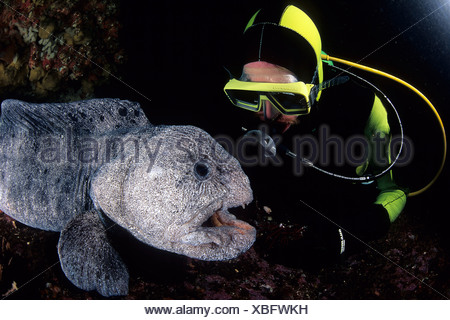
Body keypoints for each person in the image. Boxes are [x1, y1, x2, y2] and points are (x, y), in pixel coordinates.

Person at [223, 4, 408, 264]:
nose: (266, 115)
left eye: (287, 98)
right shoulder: (231, 109)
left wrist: (349, 236)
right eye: (250, 95)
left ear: (316, 83)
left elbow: (395, 190)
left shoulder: (363, 108)